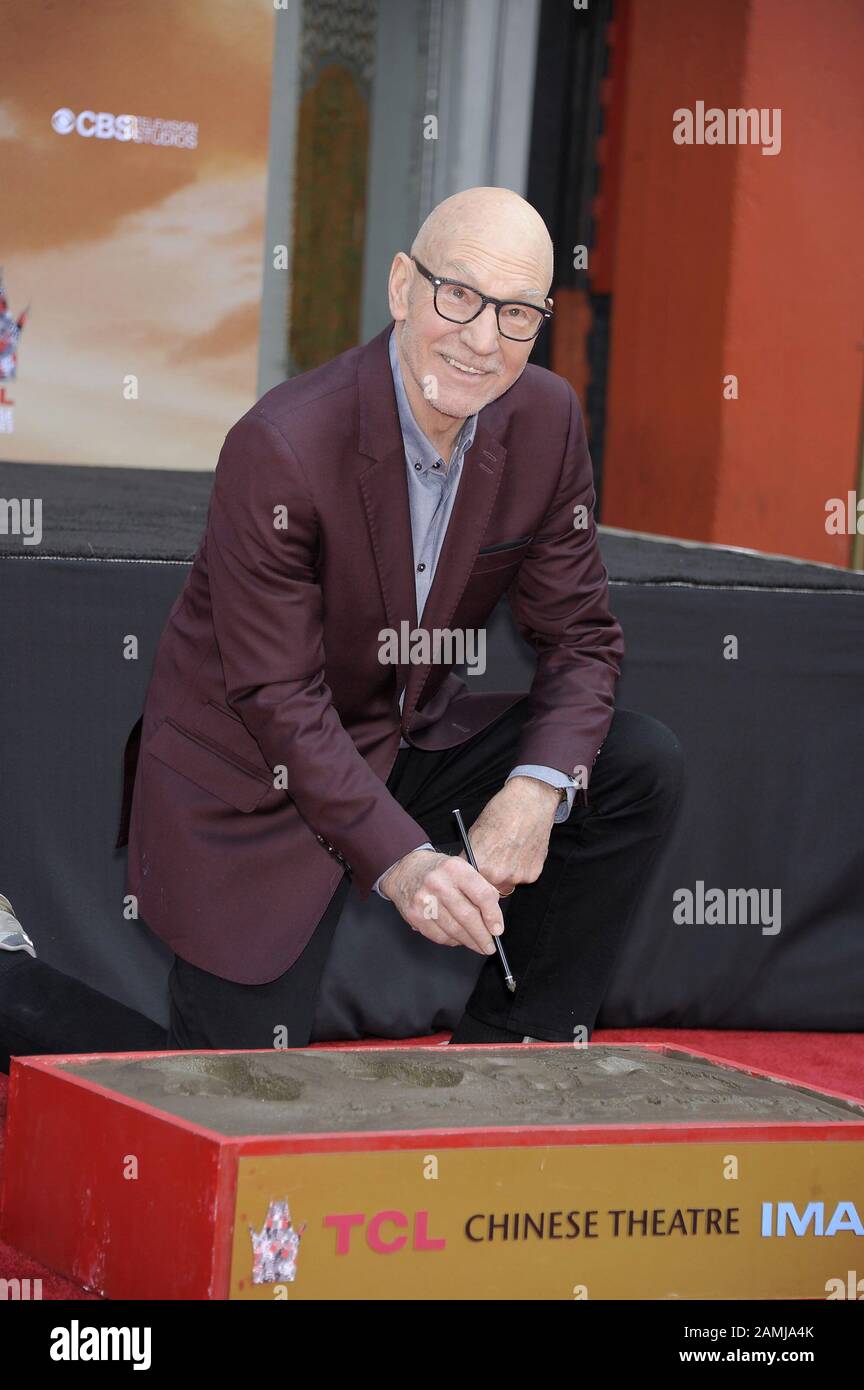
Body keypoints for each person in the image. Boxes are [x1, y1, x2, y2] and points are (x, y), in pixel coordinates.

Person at [117, 186, 682, 1050]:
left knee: (633, 764)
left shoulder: (545, 420)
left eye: (518, 313)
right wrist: (407, 864)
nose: (483, 340)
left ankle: (509, 1071)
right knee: (237, 1109)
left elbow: (581, 638)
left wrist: (535, 793)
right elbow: (276, 695)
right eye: (459, 295)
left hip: (405, 739)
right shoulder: (282, 446)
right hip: (257, 776)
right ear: (401, 288)